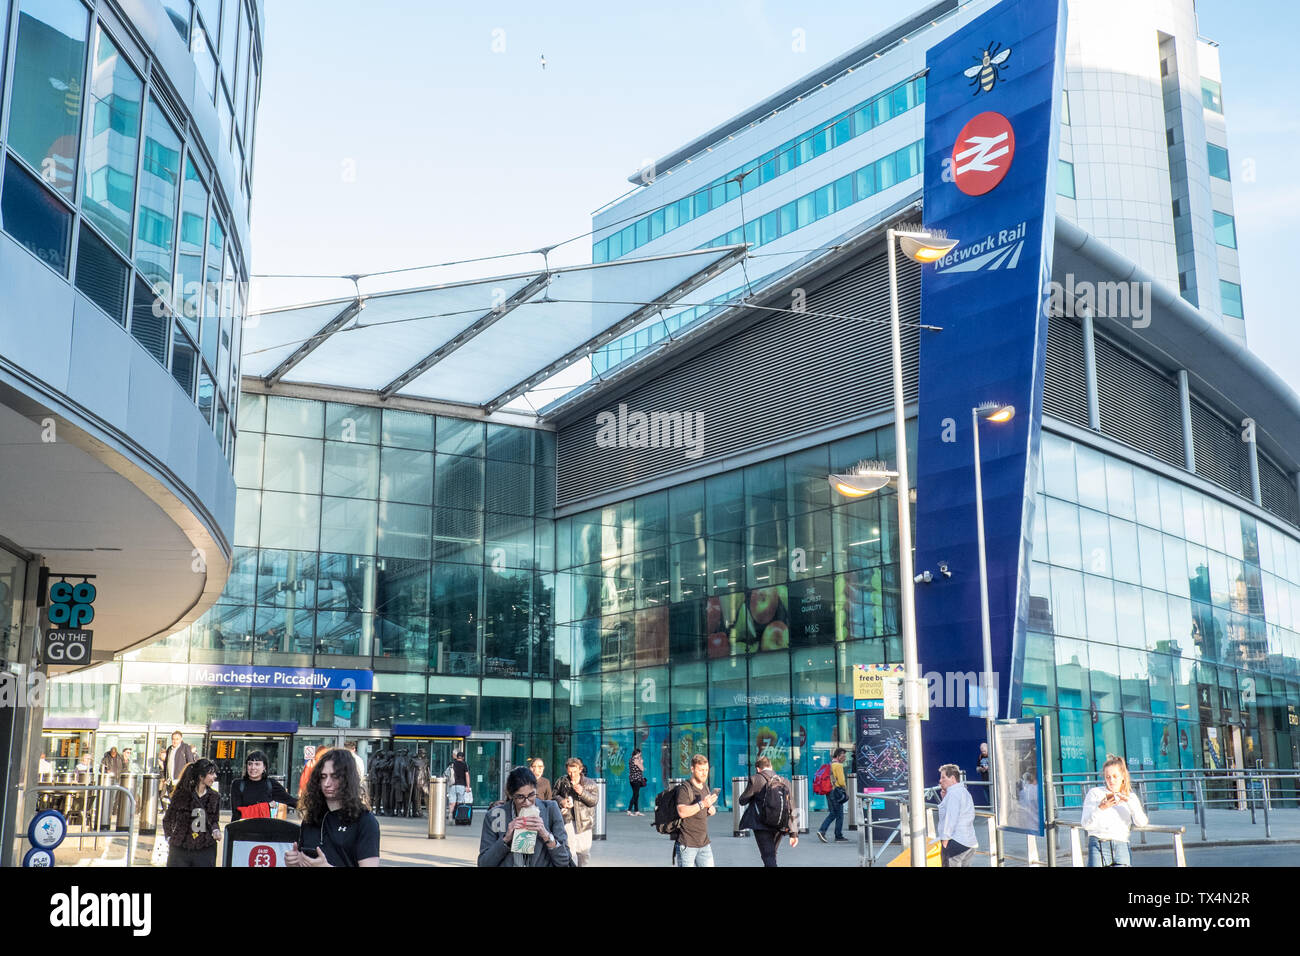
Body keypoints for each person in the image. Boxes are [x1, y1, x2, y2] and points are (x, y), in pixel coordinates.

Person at [287, 749, 380, 867]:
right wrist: (293, 863)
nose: (327, 783)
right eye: (323, 776)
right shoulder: (311, 818)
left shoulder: (365, 821)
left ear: (347, 779)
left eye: (335, 777)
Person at [477, 766, 572, 867]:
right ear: (511, 795)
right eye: (520, 797)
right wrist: (506, 839)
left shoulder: (551, 809)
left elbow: (564, 861)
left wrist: (546, 836)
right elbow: (484, 863)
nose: (527, 802)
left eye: (531, 795)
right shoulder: (495, 816)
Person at [1081, 755, 1148, 867]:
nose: (1111, 780)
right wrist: (1100, 808)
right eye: (1108, 777)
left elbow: (1141, 822)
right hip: (1099, 843)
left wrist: (1130, 803)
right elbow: (1086, 824)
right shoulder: (1095, 793)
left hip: (1121, 845)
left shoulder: (1130, 797)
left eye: (1115, 776)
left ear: (1123, 776)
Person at [739, 755, 799, 867]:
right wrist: (794, 833)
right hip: (780, 824)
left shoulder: (755, 779)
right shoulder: (785, 781)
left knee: (768, 856)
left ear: (758, 768)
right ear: (771, 766)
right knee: (771, 854)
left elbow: (742, 800)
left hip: (761, 825)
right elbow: (792, 807)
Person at [162, 758, 221, 867]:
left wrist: (216, 830)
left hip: (205, 848)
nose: (215, 777)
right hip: (181, 848)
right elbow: (168, 819)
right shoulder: (181, 795)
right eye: (211, 774)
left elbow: (214, 820)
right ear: (201, 776)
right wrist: (170, 837)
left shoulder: (214, 796)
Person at [675, 754, 719, 867]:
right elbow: (682, 812)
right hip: (687, 844)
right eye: (700, 770)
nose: (704, 773)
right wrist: (703, 804)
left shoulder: (705, 786)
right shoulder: (685, 788)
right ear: (692, 769)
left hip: (704, 843)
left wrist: (711, 809)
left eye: (706, 770)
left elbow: (703, 809)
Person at [554, 757, 598, 867]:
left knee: (584, 853)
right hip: (567, 820)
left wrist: (582, 792)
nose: (572, 774)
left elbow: (594, 801)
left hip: (584, 822)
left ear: (580, 769)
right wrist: (562, 801)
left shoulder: (590, 783)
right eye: (569, 772)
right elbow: (554, 795)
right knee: (570, 851)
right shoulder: (562, 781)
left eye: (574, 771)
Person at [230, 750, 294, 821]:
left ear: (264, 767)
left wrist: (306, 805)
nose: (253, 767)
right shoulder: (238, 784)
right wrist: (267, 806)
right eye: (250, 764)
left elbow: (290, 800)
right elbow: (237, 813)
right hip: (242, 829)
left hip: (264, 829)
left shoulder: (271, 784)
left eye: (257, 764)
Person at [936, 763, 978, 866]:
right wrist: (944, 799)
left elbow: (950, 818)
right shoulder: (964, 791)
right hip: (969, 841)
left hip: (956, 841)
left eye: (943, 777)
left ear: (953, 778)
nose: (940, 781)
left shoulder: (953, 794)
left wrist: (945, 841)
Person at [817, 748, 849, 843]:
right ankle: (824, 831)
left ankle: (836, 834)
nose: (844, 758)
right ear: (838, 756)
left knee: (835, 813)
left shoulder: (830, 765)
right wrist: (845, 788)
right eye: (843, 756)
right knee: (838, 814)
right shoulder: (838, 766)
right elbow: (841, 781)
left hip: (829, 791)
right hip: (836, 791)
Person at [448, 750, 470, 817]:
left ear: (456, 757)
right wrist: (468, 786)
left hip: (453, 785)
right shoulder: (464, 764)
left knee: (452, 802)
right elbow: (467, 775)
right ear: (463, 758)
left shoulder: (452, 764)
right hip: (461, 785)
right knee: (460, 802)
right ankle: (458, 816)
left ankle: (450, 814)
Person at [628, 748, 647, 816]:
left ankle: (636, 811)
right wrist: (641, 762)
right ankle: (629, 810)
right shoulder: (636, 760)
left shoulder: (631, 760)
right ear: (638, 753)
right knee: (635, 795)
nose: (640, 756)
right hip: (636, 780)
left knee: (636, 795)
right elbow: (642, 769)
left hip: (632, 779)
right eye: (640, 754)